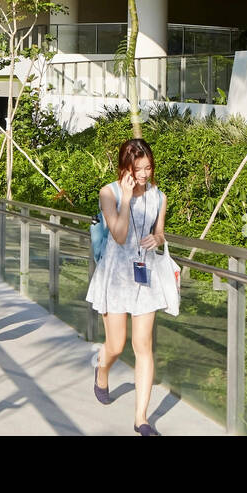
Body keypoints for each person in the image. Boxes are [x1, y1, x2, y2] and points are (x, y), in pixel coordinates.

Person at [87, 137, 169, 435]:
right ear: (126, 167)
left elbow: (160, 232)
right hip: (115, 275)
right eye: (138, 168)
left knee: (143, 346)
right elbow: (120, 236)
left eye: (148, 168)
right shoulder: (108, 193)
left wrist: (157, 238)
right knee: (116, 345)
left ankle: (141, 419)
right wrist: (125, 195)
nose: (144, 174)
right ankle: (102, 370)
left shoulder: (158, 196)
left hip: (144, 275)